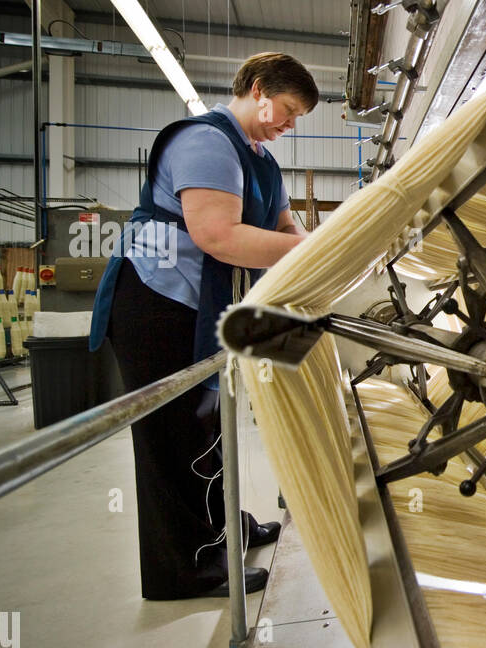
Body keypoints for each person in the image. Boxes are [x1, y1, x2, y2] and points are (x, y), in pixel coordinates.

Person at [90, 53, 318, 599]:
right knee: (172, 433)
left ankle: (221, 530)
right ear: (258, 89)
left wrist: (324, 250)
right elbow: (220, 235)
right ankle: (185, 569)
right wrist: (317, 251)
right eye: (287, 111)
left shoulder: (261, 160)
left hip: (202, 304)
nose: (290, 125)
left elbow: (288, 228)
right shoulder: (207, 142)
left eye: (297, 119)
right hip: (158, 301)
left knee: (208, 422)